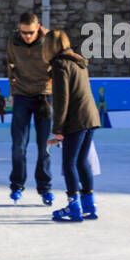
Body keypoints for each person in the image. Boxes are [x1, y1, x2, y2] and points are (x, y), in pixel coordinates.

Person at [6, 11, 68, 204]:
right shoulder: (13, 41)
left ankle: (45, 187)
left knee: (44, 147)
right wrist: (13, 90)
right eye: (23, 32)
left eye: (30, 32)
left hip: (44, 96)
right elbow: (10, 65)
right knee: (18, 145)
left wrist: (52, 90)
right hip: (22, 95)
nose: (26, 36)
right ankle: (17, 185)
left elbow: (59, 64)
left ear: (38, 28)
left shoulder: (48, 41)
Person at [48, 45, 101, 222]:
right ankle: (89, 205)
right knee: (81, 161)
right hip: (90, 117)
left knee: (69, 163)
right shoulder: (79, 62)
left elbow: (62, 99)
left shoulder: (60, 64)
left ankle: (74, 207)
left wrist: (57, 129)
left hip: (76, 119)